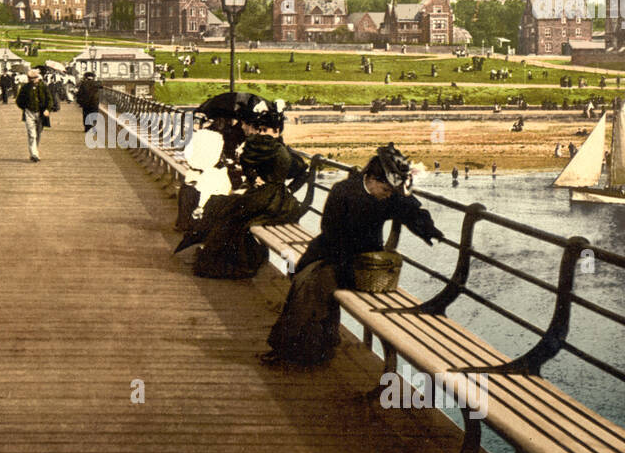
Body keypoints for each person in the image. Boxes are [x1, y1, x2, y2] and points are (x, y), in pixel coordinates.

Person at [262, 145, 443, 366]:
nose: (387, 196)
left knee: (310, 284)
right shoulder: (343, 190)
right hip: (333, 253)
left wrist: (430, 231)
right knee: (305, 280)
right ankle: (300, 348)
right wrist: (340, 261)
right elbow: (330, 230)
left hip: (364, 263)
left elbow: (412, 211)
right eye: (385, 190)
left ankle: (294, 349)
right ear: (373, 180)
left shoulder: (389, 197)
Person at [175, 108, 307, 279]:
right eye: (260, 130)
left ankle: (224, 257)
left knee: (227, 210)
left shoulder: (262, 147)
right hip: (276, 200)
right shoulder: (277, 149)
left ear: (277, 131)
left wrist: (261, 180)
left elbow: (249, 164)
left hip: (267, 199)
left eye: (265, 130)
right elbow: (301, 171)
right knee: (224, 207)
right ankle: (230, 256)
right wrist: (277, 185)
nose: (262, 133)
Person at [16, 68, 54, 162]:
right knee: (31, 134)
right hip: (29, 112)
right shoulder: (25, 88)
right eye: (30, 78)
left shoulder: (43, 86)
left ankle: (34, 150)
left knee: (38, 133)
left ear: (38, 78)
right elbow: (19, 100)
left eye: (34, 78)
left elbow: (50, 99)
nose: (32, 80)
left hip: (41, 113)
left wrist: (47, 110)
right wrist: (25, 108)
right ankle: (34, 153)